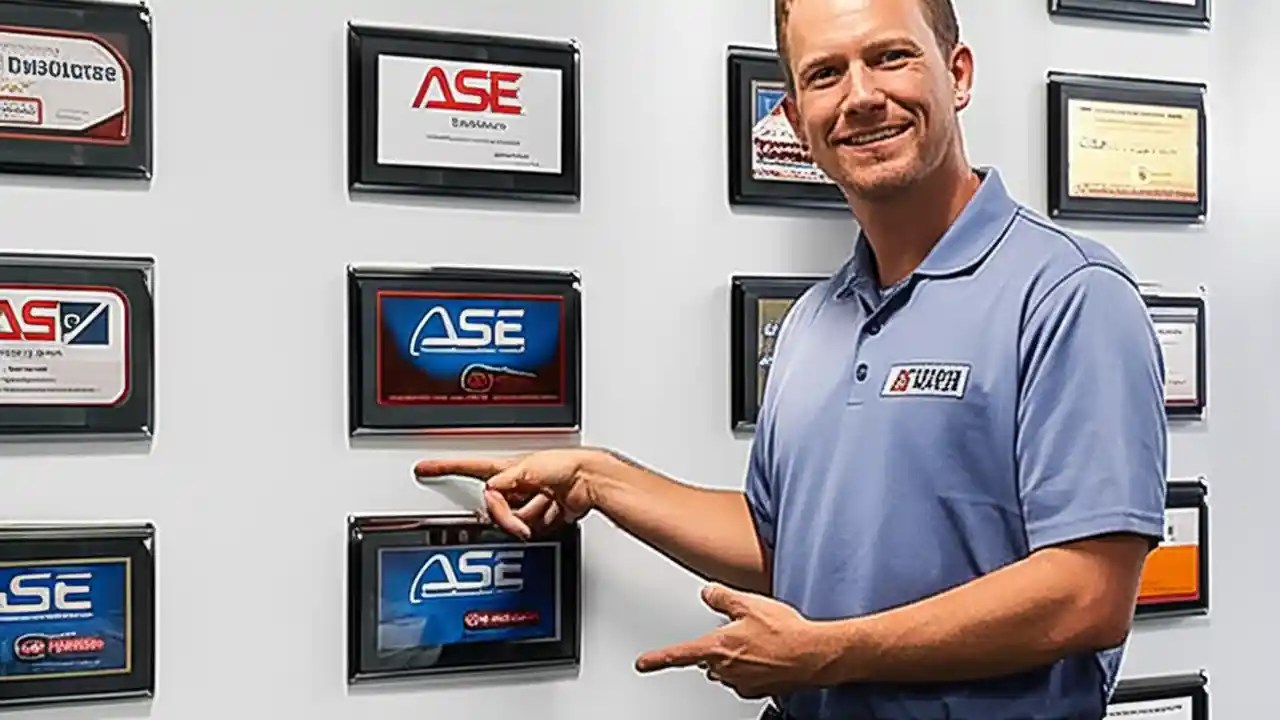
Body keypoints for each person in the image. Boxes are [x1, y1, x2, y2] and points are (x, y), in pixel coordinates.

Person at [414, 0, 1169, 717]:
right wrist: (597, 477)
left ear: (959, 73)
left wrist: (829, 654)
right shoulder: (813, 323)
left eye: (891, 57)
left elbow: (1088, 592)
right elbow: (783, 547)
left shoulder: (1068, 294)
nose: (863, 95)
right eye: (825, 74)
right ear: (796, 121)